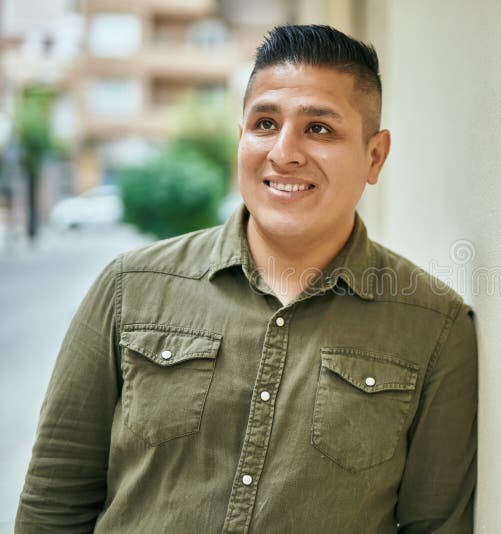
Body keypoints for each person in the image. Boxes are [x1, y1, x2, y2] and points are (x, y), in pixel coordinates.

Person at [16, 25, 477, 533]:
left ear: (374, 156)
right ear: (241, 138)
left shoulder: (434, 328)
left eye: (319, 128)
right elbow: (53, 504)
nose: (284, 153)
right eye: (264, 123)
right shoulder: (130, 288)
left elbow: (434, 526)